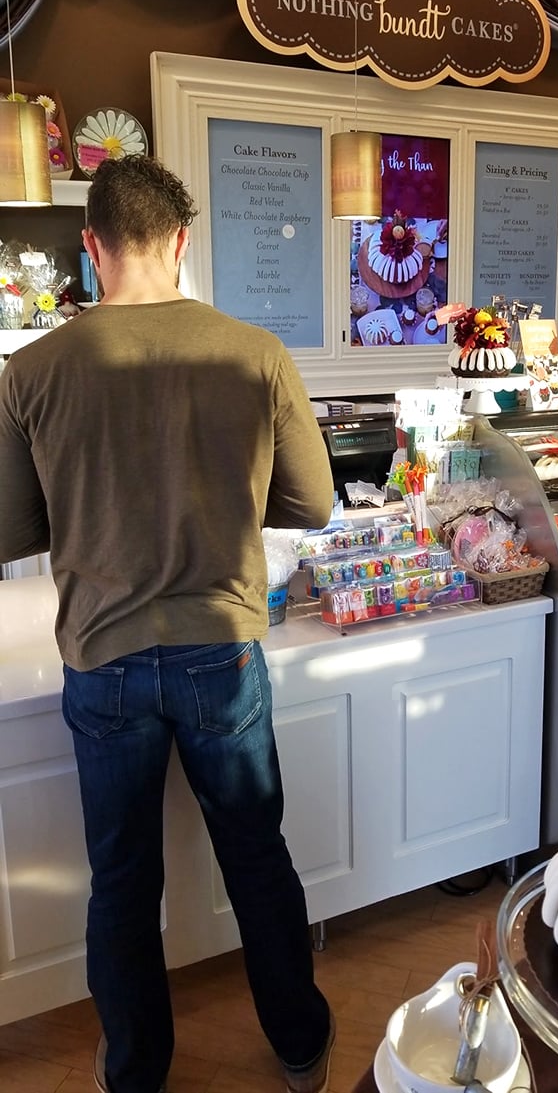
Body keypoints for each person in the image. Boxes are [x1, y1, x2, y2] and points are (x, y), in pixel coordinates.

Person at [0, 155, 336, 1093]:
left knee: (121, 877)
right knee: (256, 854)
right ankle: (301, 1044)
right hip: (219, 650)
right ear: (182, 243)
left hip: (102, 658)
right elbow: (311, 504)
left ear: (90, 246)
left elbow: (13, 531)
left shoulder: (29, 371)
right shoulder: (256, 351)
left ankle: (138, 1069)